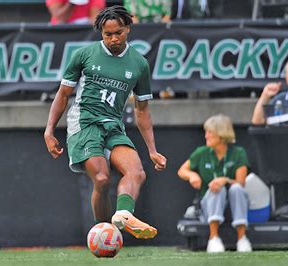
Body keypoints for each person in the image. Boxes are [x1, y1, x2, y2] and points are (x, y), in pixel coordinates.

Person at [44, 5, 167, 239]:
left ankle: (122, 214)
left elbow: (142, 110)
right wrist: (49, 130)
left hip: (113, 125)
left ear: (128, 29)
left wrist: (152, 150)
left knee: (137, 172)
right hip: (85, 122)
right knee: (101, 178)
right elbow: (62, 94)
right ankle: (103, 233)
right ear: (101, 33)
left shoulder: (139, 64)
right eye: (107, 34)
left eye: (118, 33)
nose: (113, 39)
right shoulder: (85, 54)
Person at [177, 114, 252, 253]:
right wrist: (192, 175)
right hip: (209, 206)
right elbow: (182, 170)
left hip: (234, 206)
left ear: (222, 135)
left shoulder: (238, 153)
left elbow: (241, 183)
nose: (206, 136)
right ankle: (213, 238)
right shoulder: (201, 152)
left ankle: (242, 239)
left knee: (235, 188)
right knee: (217, 189)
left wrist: (225, 180)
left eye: (210, 132)